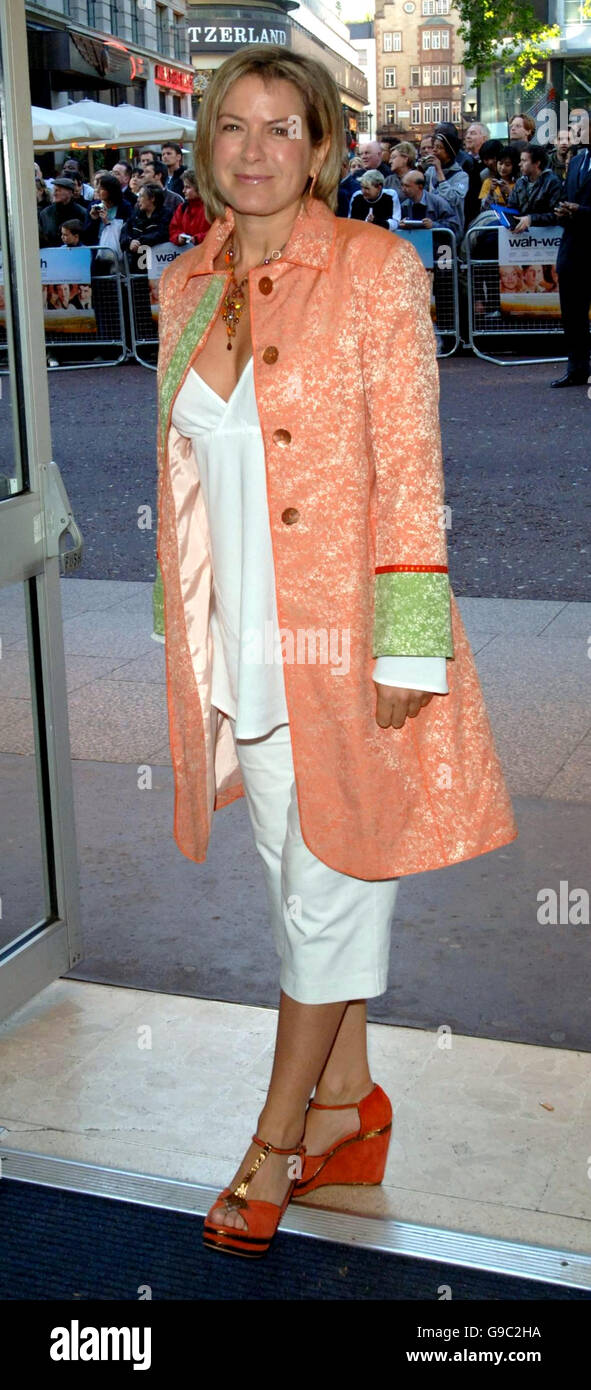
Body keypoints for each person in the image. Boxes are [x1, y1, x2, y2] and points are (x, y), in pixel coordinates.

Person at [153, 41, 517, 1261]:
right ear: (209, 145)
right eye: (234, 128)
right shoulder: (182, 285)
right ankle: (346, 1113)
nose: (256, 151)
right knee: (298, 888)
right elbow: (191, 493)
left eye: (283, 129)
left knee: (324, 900)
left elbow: (413, 473)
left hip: (341, 646)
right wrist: (184, 645)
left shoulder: (376, 269)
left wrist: (405, 657)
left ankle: (271, 1143)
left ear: (321, 146)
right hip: (239, 652)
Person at [547, 143, 591, 386]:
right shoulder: (576, 161)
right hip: (573, 249)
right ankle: (577, 369)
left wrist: (582, 211)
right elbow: (566, 196)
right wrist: (563, 211)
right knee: (573, 315)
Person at [422, 124, 469, 236]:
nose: (434, 151)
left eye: (439, 148)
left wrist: (439, 171)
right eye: (434, 147)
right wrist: (420, 171)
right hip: (430, 226)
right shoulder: (430, 172)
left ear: (449, 152)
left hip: (450, 230)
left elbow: (453, 199)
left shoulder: (461, 176)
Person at [510, 144, 563, 231]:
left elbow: (557, 214)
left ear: (537, 163)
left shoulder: (552, 182)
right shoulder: (520, 182)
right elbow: (512, 206)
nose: (519, 164)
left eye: (524, 161)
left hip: (546, 236)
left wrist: (531, 219)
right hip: (520, 234)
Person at [399, 169, 461, 237]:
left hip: (439, 244)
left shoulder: (438, 202)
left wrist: (434, 225)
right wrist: (401, 225)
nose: (403, 189)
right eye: (402, 185)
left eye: (407, 186)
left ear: (420, 186)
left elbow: (454, 226)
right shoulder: (404, 205)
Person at [38, 177, 88, 248]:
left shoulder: (82, 213)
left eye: (58, 190)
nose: (54, 193)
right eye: (54, 190)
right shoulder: (45, 214)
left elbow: (87, 238)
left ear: (70, 192)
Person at [168, 170, 211, 246]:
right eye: (184, 187)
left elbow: (219, 231)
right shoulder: (182, 208)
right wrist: (178, 237)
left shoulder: (212, 208)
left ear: (199, 188)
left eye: (187, 187)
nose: (183, 191)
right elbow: (173, 229)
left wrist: (198, 238)